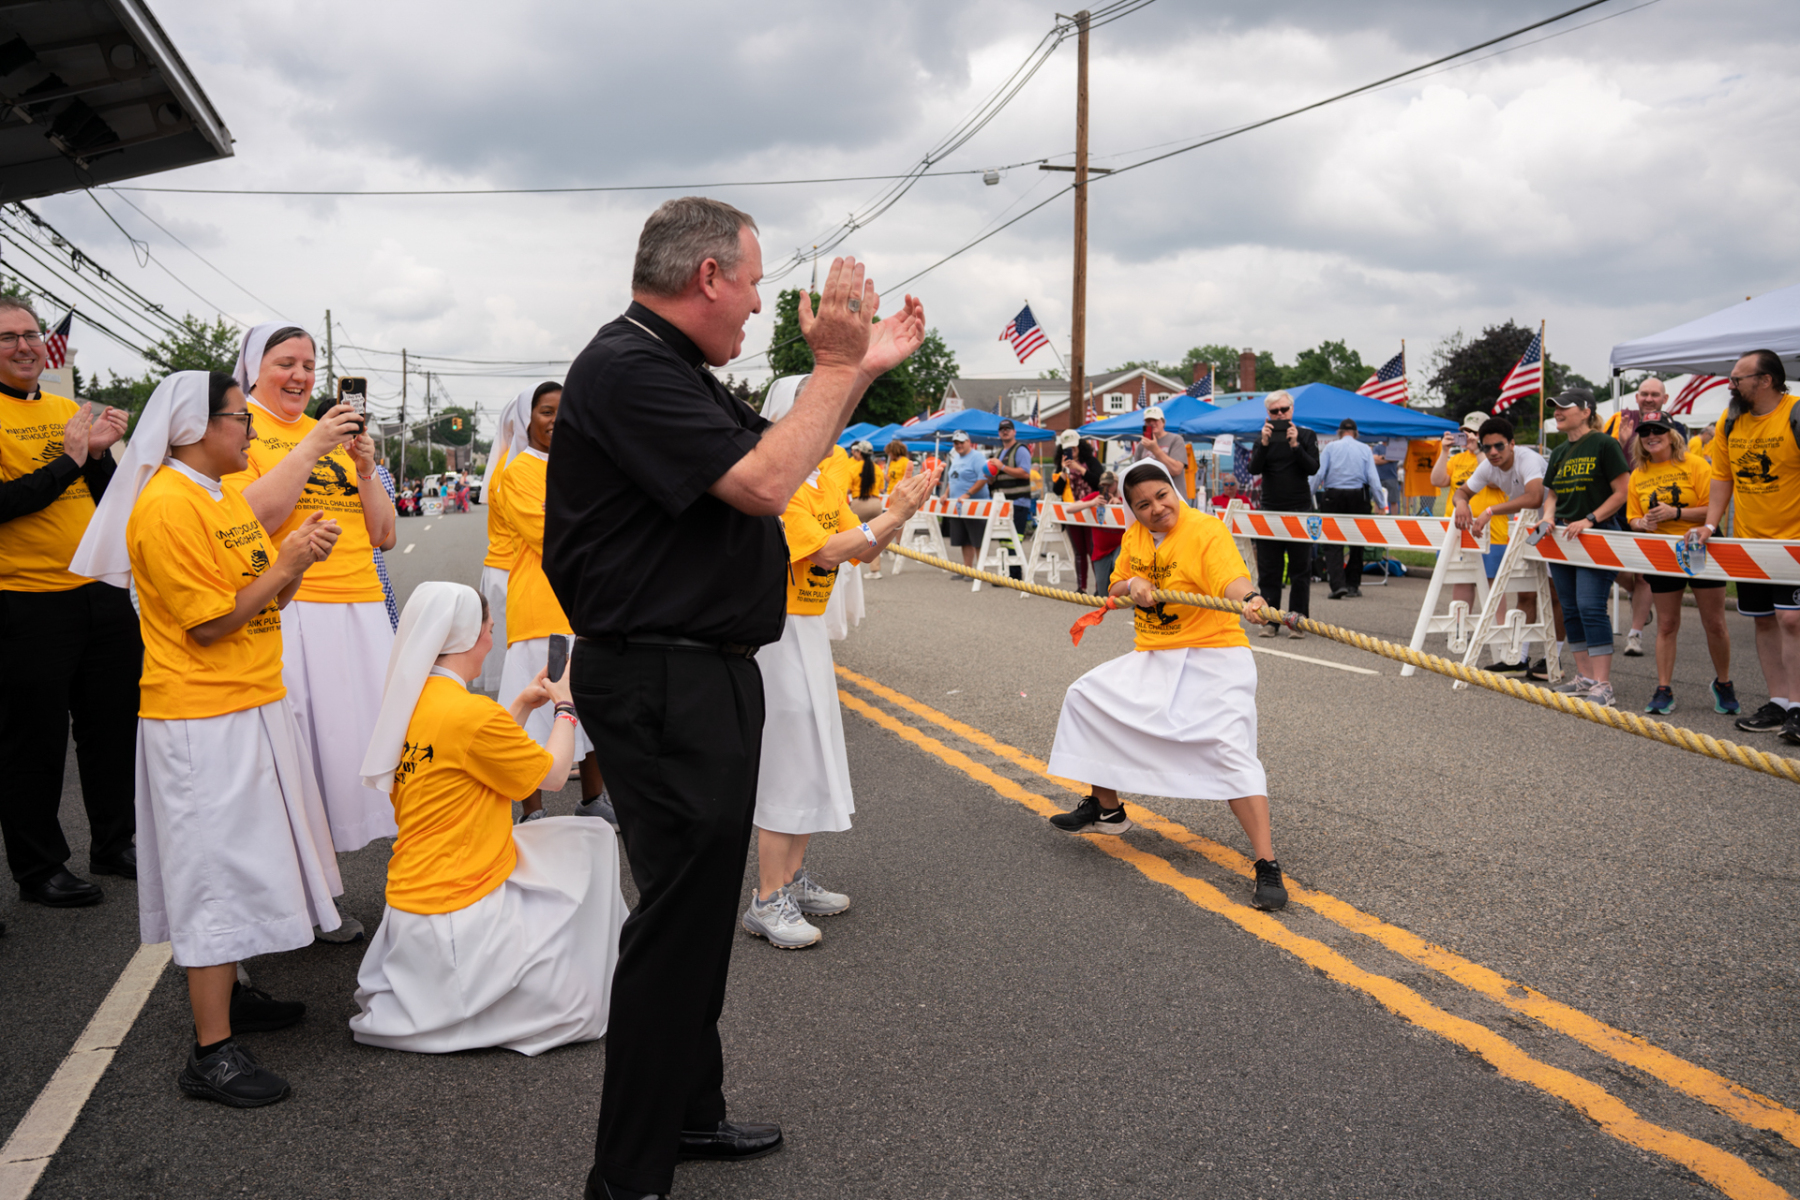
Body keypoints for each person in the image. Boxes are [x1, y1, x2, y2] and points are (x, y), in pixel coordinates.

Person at [542, 197, 925, 1200]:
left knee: (700, 908)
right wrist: (839, 365)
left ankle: (689, 1112)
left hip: (697, 668)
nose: (762, 307)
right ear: (708, 276)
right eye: (754, 283)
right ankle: (627, 1175)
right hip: (664, 674)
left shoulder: (669, 368)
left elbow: (783, 450)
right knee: (675, 923)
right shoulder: (629, 366)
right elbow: (764, 484)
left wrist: (865, 368)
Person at [69, 371, 344, 1107]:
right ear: (194, 427)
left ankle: (235, 989)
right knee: (212, 875)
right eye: (237, 419)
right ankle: (210, 1052)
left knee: (249, 859)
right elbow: (208, 622)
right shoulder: (164, 505)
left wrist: (296, 560)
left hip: (249, 697)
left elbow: (260, 592)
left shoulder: (219, 497)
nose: (249, 431)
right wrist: (284, 565)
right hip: (200, 715)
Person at [349, 582, 625, 1053]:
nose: (492, 639)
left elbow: (471, 754)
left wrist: (519, 704)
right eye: (488, 629)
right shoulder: (471, 714)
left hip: (412, 898)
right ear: (466, 638)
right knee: (594, 837)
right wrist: (564, 707)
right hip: (460, 902)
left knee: (568, 844)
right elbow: (555, 775)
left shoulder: (413, 701)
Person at [740, 376, 939, 950]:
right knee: (788, 755)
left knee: (814, 749)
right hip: (773, 634)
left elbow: (858, 544)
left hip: (806, 628)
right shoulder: (777, 483)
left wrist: (901, 512)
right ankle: (765, 898)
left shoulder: (823, 477)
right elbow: (824, 549)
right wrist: (889, 512)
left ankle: (790, 880)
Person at [1045, 461, 1287, 911]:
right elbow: (1116, 582)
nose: (1157, 508)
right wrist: (1132, 582)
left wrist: (1251, 599)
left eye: (1162, 496)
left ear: (1174, 489)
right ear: (1132, 510)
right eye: (1143, 504)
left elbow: (1229, 579)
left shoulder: (1206, 530)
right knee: (1087, 697)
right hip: (1156, 655)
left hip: (1215, 656)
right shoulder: (1134, 536)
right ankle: (1107, 809)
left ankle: (1266, 863)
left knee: (1229, 748)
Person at [228, 324, 398, 936]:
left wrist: (366, 470)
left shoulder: (326, 435)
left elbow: (382, 536)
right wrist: (310, 448)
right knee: (293, 768)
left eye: (309, 363)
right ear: (254, 368)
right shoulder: (242, 428)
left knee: (353, 762)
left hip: (360, 609)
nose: (300, 375)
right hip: (292, 610)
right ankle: (295, 907)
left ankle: (324, 897)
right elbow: (246, 518)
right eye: (285, 362)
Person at [0, 294, 138, 909]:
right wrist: (68, 461)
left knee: (112, 730)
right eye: (8, 338)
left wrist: (102, 455)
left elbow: (107, 499)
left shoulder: (66, 410)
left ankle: (115, 842)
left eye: (31, 333)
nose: (26, 345)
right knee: (35, 740)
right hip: (25, 602)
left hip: (101, 594)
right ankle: (39, 869)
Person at [493, 383, 612, 824]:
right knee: (536, 709)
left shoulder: (581, 464)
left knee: (589, 708)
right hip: (539, 609)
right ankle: (533, 810)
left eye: (565, 410)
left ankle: (594, 800)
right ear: (527, 419)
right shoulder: (519, 470)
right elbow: (548, 534)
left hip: (586, 605)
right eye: (546, 411)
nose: (556, 420)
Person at [1692, 350, 1800, 741]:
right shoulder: (1730, 421)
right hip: (1749, 542)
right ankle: (1780, 703)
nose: (1730, 385)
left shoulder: (1795, 414)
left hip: (1794, 544)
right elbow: (1722, 478)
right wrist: (1709, 524)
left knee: (1793, 620)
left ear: (1765, 380)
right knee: (1764, 620)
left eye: (1738, 378)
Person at [1623, 412, 1735, 716]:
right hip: (1662, 553)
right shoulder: (1638, 473)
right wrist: (1642, 522)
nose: (1650, 436)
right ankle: (1663, 688)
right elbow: (1631, 517)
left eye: (1658, 430)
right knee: (1667, 623)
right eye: (1644, 431)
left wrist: (1675, 514)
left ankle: (1723, 683)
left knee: (1714, 622)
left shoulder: (1696, 465)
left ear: (1673, 435)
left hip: (1701, 546)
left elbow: (1713, 509)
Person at [1542, 388, 1632, 707]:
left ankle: (1604, 684)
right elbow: (1551, 494)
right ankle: (1585, 678)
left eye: (1564, 407)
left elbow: (1621, 491)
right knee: (1570, 608)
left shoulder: (1605, 444)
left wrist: (1591, 518)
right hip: (1564, 537)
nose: (1557, 412)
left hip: (1597, 534)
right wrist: (1549, 518)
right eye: (1554, 407)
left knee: (1591, 606)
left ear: (1585, 411)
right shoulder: (1558, 452)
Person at [1448, 417, 1547, 669]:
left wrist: (1491, 510)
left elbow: (1535, 497)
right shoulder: (1488, 467)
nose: (1493, 452)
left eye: (1499, 446)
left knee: (1555, 594)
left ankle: (1551, 659)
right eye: (1486, 447)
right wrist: (1461, 504)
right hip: (1531, 526)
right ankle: (1518, 658)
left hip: (1557, 521)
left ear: (1512, 444)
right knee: (1526, 592)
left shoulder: (1529, 459)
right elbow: (1462, 491)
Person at [1604, 378, 1687, 658]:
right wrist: (1622, 443)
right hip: (1616, 506)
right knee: (1611, 564)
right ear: (1636, 397)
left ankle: (1635, 635)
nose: (1649, 398)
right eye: (1644, 394)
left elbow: (1680, 462)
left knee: (1644, 576)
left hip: (1652, 509)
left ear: (1664, 398)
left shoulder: (1677, 426)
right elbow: (1603, 456)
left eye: (1655, 394)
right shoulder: (1617, 419)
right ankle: (1634, 595)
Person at [475, 386, 539, 695]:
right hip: (510, 573)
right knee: (518, 667)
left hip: (511, 571)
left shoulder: (513, 463)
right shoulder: (515, 468)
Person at [1246, 389, 1320, 637]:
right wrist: (1265, 444)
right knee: (1270, 569)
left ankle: (1297, 621)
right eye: (1274, 411)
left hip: (1299, 510)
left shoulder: (1307, 435)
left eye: (1283, 410)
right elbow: (1253, 468)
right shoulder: (1262, 438)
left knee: (1300, 569)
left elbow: (1312, 468)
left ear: (1292, 410)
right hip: (1270, 510)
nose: (1279, 415)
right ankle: (1270, 620)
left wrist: (1295, 445)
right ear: (1268, 414)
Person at [1310, 417, 1387, 598]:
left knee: (1332, 543)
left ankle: (1338, 586)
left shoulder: (1330, 448)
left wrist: (1308, 496)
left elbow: (1318, 474)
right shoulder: (1364, 449)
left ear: (1339, 432)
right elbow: (1373, 479)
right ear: (1356, 433)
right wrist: (1380, 504)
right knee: (1357, 542)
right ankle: (1353, 584)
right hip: (1358, 497)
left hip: (1333, 496)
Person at [1051, 428, 1101, 591]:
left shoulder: (1091, 462)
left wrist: (1079, 468)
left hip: (1091, 509)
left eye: (1074, 448)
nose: (1071, 452)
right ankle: (1081, 587)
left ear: (1080, 446)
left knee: (1092, 550)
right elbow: (1056, 490)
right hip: (1072, 511)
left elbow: (1099, 482)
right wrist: (1064, 470)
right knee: (1079, 551)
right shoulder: (1060, 466)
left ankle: (1098, 587)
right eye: (1068, 449)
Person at [940, 429, 989, 569]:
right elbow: (953, 478)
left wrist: (968, 493)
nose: (958, 445)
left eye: (961, 442)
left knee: (977, 540)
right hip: (958, 506)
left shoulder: (977, 457)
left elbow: (983, 478)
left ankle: (981, 571)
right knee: (964, 540)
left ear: (969, 442)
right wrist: (946, 494)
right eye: (956, 443)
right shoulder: (956, 458)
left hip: (975, 506)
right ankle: (968, 569)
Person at [1077, 469, 1123, 595]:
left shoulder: (1124, 498)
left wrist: (1120, 506)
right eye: (1103, 485)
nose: (1106, 488)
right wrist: (1091, 503)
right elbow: (1070, 508)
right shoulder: (1096, 496)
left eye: (1110, 485)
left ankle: (1131, 599)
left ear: (1117, 484)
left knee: (1119, 566)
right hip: (1100, 549)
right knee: (1102, 590)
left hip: (1119, 545)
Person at [991, 418, 1035, 538]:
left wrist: (1002, 466)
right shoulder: (998, 453)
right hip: (1002, 503)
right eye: (1002, 429)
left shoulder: (1020, 450)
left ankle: (1015, 557)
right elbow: (996, 478)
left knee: (1015, 541)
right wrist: (988, 475)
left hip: (1018, 502)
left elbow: (1025, 473)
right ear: (999, 433)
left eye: (1008, 429)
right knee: (1004, 540)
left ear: (1014, 432)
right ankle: (1006, 558)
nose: (1005, 431)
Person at [1128, 405, 1185, 476]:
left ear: (1163, 422)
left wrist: (1154, 449)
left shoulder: (1176, 439)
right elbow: (1136, 471)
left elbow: (1176, 470)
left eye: (1155, 420)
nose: (1151, 423)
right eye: (1148, 420)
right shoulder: (1142, 444)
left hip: (1170, 487)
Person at [845, 439, 884, 522]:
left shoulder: (853, 469)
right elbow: (881, 489)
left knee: (857, 533)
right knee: (875, 533)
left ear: (859, 452)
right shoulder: (877, 468)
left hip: (859, 504)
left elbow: (848, 490)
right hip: (876, 504)